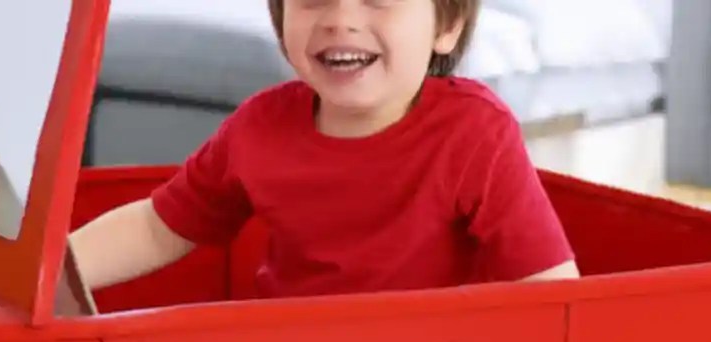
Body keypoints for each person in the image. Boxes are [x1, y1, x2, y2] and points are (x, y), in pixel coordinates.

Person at [68, 0, 578, 301]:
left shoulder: (475, 134)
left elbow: (553, 293)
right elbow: (157, 227)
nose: (340, 19)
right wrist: (53, 276)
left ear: (446, 26)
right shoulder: (258, 129)